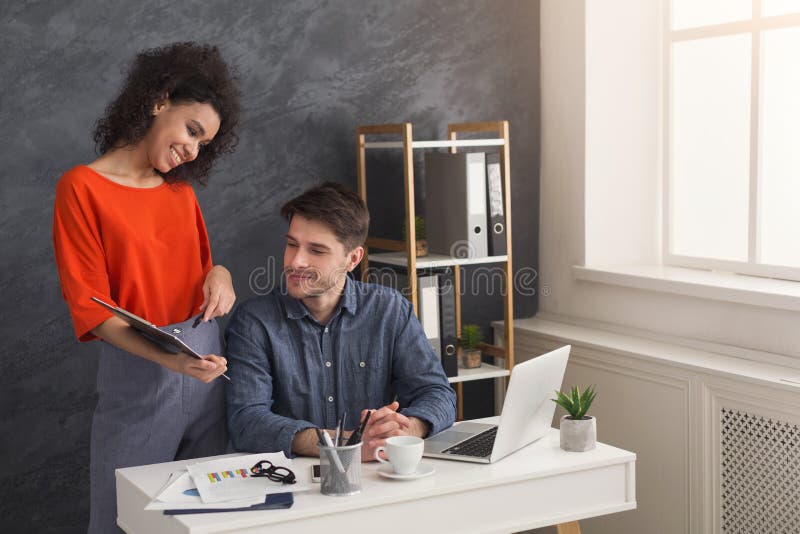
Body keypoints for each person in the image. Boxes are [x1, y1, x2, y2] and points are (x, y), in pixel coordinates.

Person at [52, 42, 240, 533]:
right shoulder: (82, 188)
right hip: (140, 373)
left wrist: (220, 275)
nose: (193, 151)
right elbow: (91, 309)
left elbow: (200, 270)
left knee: (207, 518)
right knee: (123, 520)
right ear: (159, 101)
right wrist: (173, 361)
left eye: (204, 145)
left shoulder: (180, 192)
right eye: (192, 131)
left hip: (206, 364)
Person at [225, 182, 457, 461]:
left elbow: (438, 394)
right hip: (296, 482)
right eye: (291, 244)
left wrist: (404, 432)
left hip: (380, 474)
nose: (296, 261)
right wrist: (349, 443)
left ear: (353, 259)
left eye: (317, 251)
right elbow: (246, 421)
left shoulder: (390, 310)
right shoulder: (254, 322)